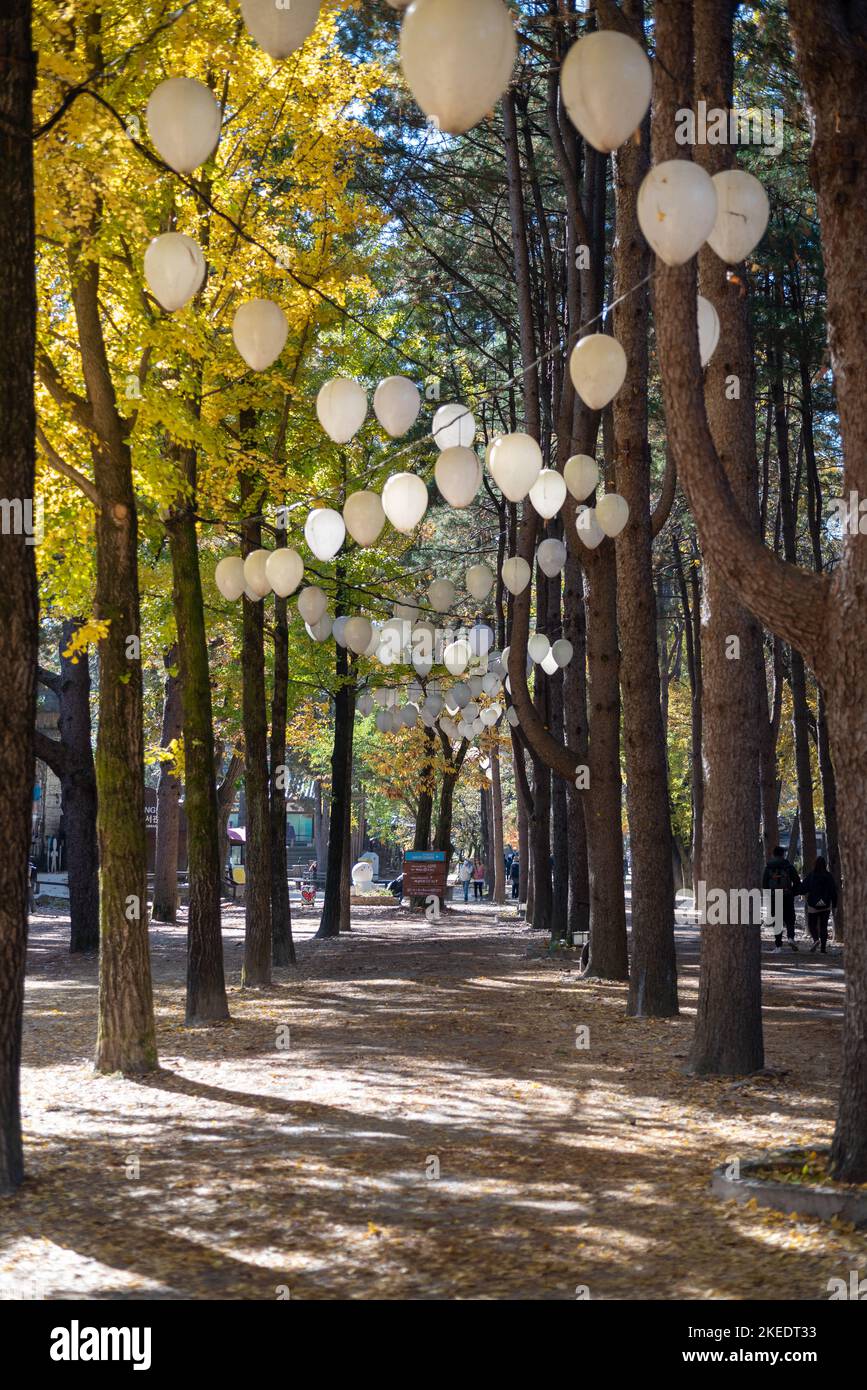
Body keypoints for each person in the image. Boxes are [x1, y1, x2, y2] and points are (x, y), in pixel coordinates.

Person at [762, 846, 802, 952]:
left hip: (775, 896)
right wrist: (792, 892)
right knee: (790, 919)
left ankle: (778, 946)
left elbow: (765, 883)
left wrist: (769, 895)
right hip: (787, 894)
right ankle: (790, 938)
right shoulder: (788, 866)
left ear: (774, 854)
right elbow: (797, 881)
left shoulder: (769, 867)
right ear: (782, 854)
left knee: (777, 921)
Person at [801, 855, 838, 954]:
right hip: (825, 905)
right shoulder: (829, 876)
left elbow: (804, 888)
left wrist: (796, 892)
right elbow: (833, 891)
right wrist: (834, 905)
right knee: (823, 926)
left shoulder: (811, 875)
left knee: (812, 925)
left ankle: (816, 939)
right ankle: (823, 949)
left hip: (813, 905)